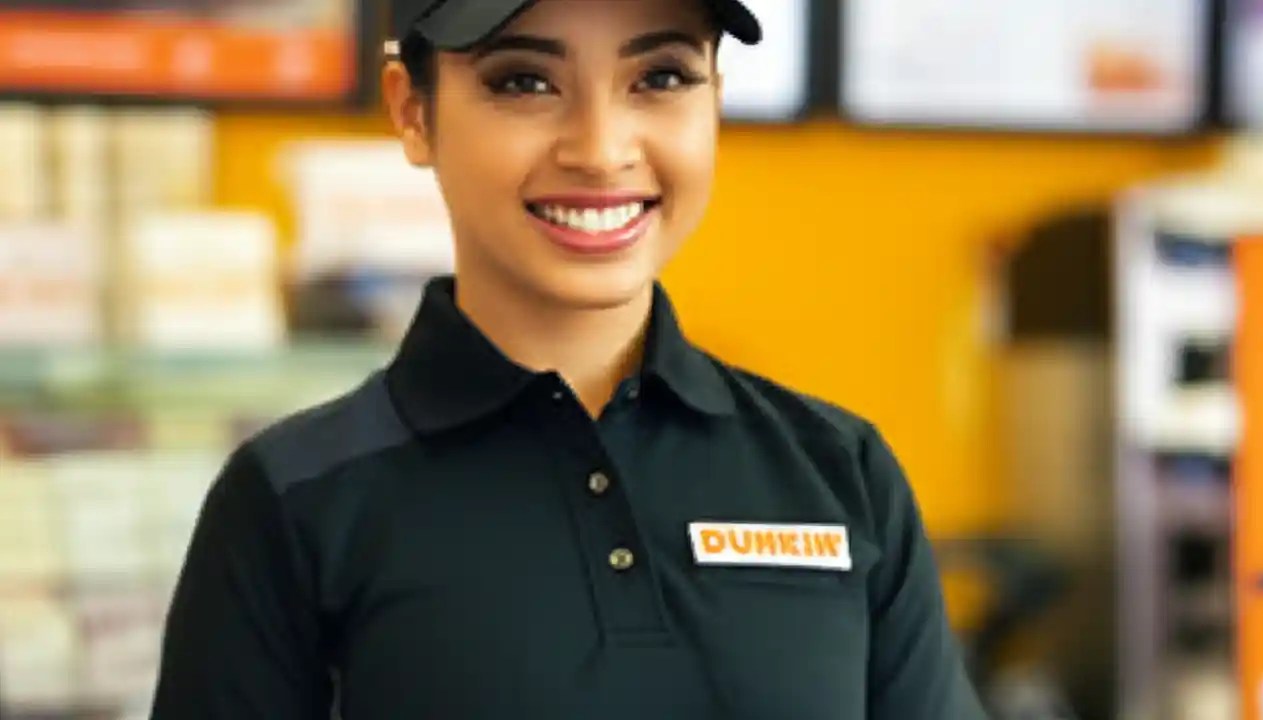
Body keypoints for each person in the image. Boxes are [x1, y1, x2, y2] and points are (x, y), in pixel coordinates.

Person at [149, 1, 988, 718]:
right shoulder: (293, 502)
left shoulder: (842, 475)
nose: (600, 148)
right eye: (524, 81)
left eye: (660, 77)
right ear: (412, 110)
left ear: (716, 101)